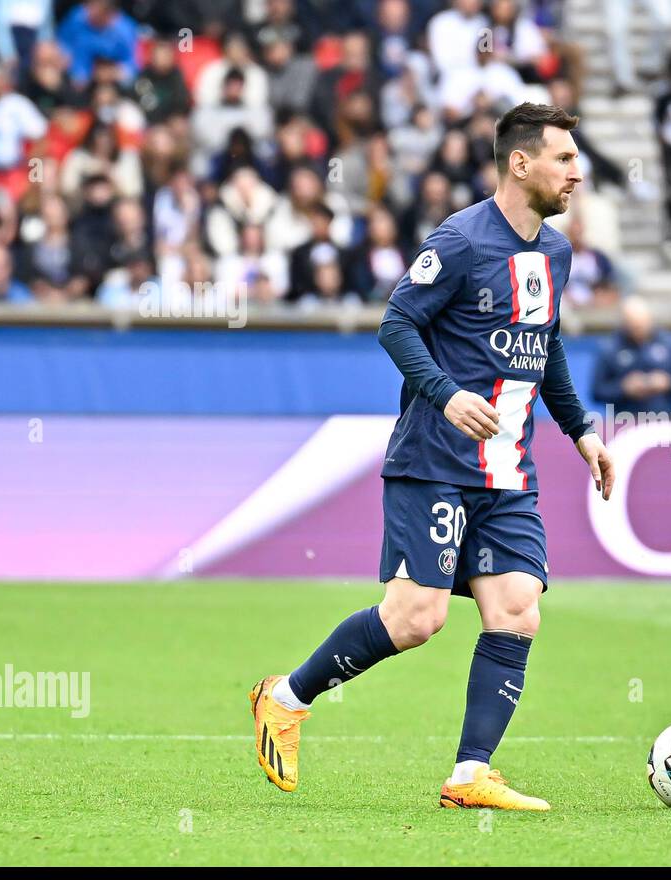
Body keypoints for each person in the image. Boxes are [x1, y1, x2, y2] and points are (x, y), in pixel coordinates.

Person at [248, 104, 615, 812]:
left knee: (517, 609)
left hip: (508, 471)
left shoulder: (558, 253)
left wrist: (582, 430)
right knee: (416, 619)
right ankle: (286, 698)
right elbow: (396, 323)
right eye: (564, 159)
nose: (577, 172)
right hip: (436, 460)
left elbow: (548, 345)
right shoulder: (460, 242)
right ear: (520, 163)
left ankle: (470, 773)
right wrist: (446, 396)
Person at [591, 296, 671, 416]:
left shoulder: (670, 343)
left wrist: (668, 383)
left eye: (641, 325)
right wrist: (623, 388)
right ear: (624, 324)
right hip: (625, 422)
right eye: (633, 326)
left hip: (666, 420)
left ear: (650, 320)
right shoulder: (610, 348)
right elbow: (597, 391)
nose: (638, 331)